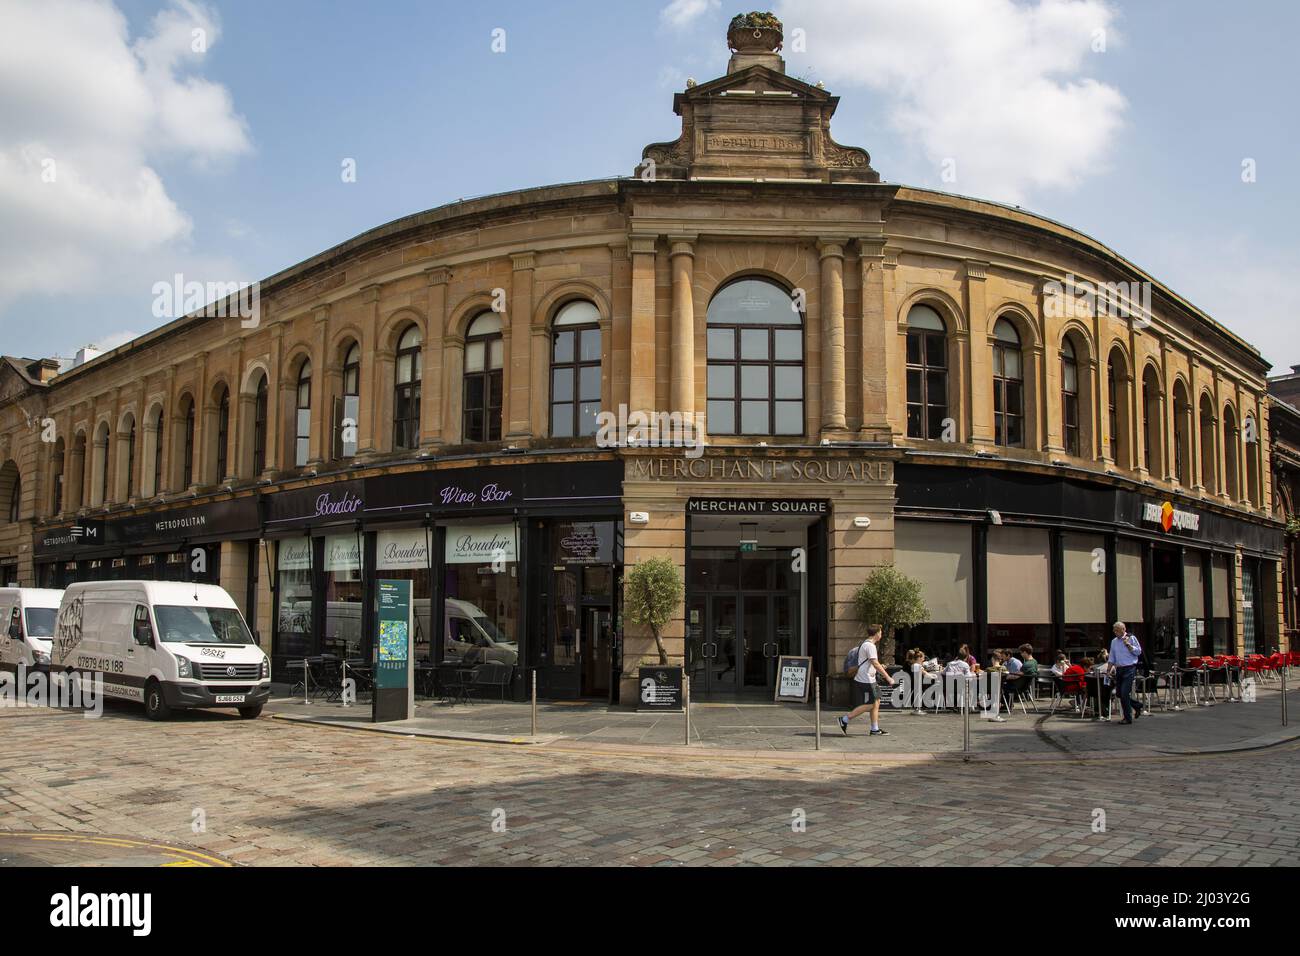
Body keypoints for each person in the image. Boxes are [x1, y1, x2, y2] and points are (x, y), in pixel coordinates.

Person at [839, 625, 897, 737]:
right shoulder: (870, 646)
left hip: (868, 678)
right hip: (866, 679)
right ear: (876, 633)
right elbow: (874, 663)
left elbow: (872, 663)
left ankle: (874, 729)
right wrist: (888, 677)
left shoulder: (865, 644)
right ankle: (845, 719)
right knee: (871, 704)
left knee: (876, 701)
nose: (881, 634)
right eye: (880, 632)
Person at [1107, 621, 1145, 724]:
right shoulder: (1114, 641)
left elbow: (1138, 652)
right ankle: (1137, 705)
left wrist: (1128, 645)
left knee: (1124, 693)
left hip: (1129, 668)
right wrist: (1108, 670)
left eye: (1118, 631)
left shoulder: (1131, 638)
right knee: (1119, 693)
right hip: (1119, 668)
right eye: (1114, 631)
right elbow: (1112, 657)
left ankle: (1127, 718)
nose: (1116, 633)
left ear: (1123, 630)